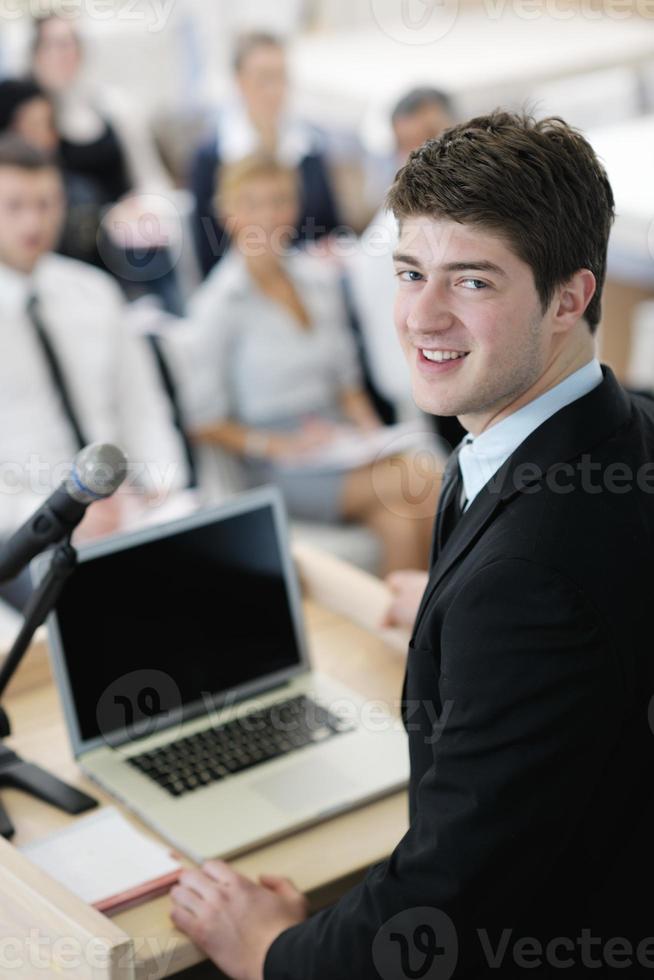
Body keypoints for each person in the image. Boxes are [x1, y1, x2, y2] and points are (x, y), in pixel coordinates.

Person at [169, 111, 654, 978]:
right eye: (409, 272)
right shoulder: (623, 430)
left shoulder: (528, 581)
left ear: (571, 298)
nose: (420, 316)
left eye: (471, 282)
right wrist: (443, 607)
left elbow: (444, 906)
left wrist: (270, 952)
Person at [169, 153, 440, 575]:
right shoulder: (217, 306)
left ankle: (406, 638)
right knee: (421, 484)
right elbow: (204, 421)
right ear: (229, 214)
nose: (270, 216)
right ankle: (429, 634)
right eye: (253, 203)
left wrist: (373, 437)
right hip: (277, 464)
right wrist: (280, 446)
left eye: (280, 201)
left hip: (338, 442)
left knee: (401, 521)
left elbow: (347, 384)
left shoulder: (317, 280)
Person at [0, 136, 189, 609]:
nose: (33, 221)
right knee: (109, 606)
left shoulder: (93, 292)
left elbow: (141, 404)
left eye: (46, 203)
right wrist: (57, 515)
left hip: (125, 504)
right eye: (15, 205)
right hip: (27, 532)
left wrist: (161, 486)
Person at [29, 15, 181, 312]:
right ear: (36, 54)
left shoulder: (114, 108)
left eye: (70, 45)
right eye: (52, 46)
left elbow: (150, 177)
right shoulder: (32, 120)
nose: (63, 55)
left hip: (130, 236)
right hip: (73, 240)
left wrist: (147, 207)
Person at [190, 31, 340, 278]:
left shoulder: (310, 147)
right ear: (239, 82)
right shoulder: (211, 157)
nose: (274, 90)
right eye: (264, 79)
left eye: (281, 78)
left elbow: (332, 230)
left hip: (315, 282)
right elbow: (207, 252)